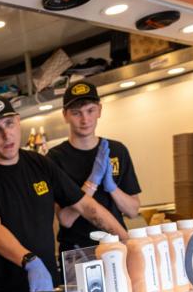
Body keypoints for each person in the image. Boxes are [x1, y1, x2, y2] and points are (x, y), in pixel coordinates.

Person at [0, 95, 131, 292]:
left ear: (18, 121)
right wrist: (29, 261)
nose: (7, 135)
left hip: (48, 285)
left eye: (9, 124)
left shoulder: (39, 164)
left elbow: (86, 206)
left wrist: (127, 241)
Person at [47, 80, 141, 252]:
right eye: (76, 113)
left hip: (116, 246)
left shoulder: (117, 151)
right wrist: (92, 182)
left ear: (100, 110)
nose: (85, 119)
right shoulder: (55, 158)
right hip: (76, 251)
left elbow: (133, 210)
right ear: (65, 115)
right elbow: (65, 218)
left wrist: (111, 187)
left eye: (90, 110)